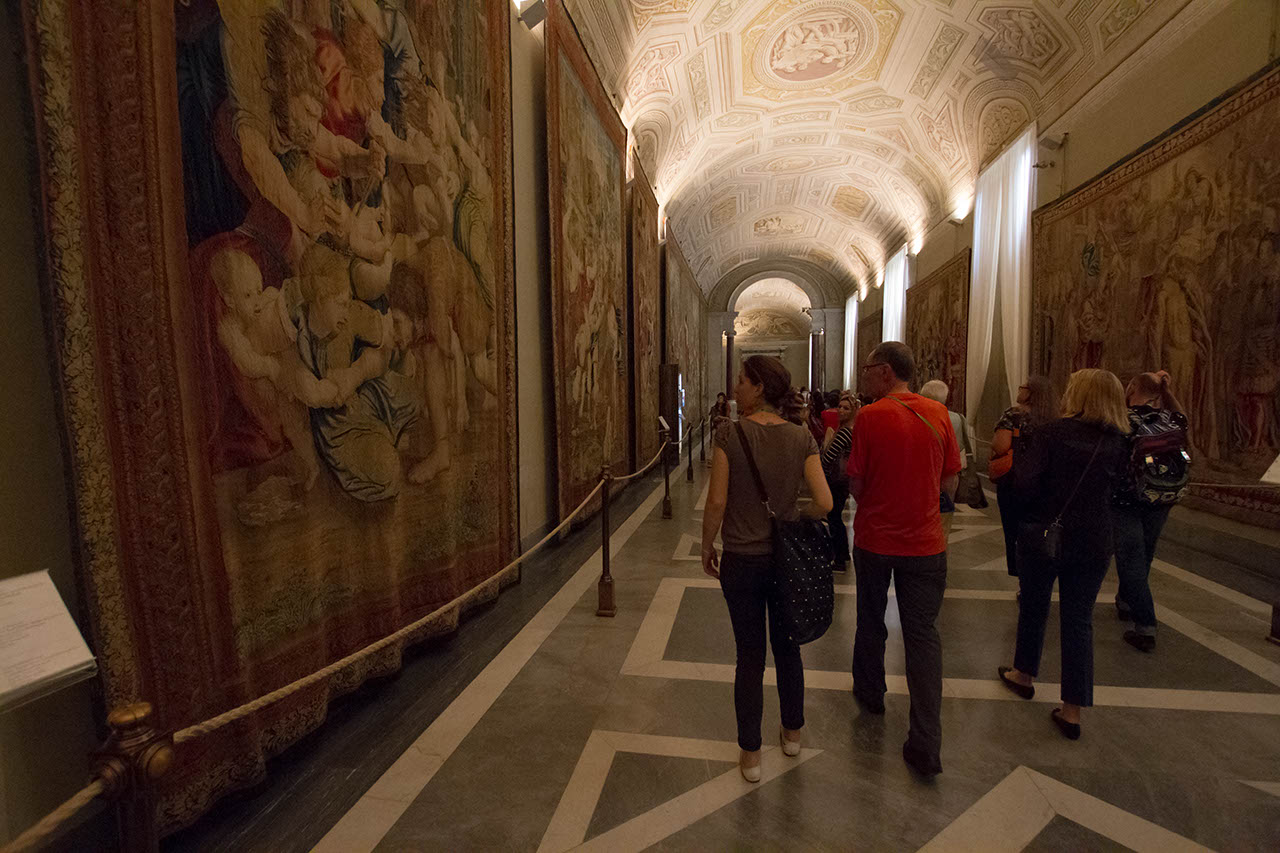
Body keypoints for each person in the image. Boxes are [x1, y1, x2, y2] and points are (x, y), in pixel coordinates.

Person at [702, 356, 833, 783]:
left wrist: (707, 544)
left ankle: (751, 755)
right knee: (788, 647)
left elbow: (717, 501)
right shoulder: (801, 437)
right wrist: (796, 518)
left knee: (749, 656)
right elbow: (826, 502)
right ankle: (792, 733)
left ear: (758, 387)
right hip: (785, 560)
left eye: (741, 381)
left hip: (742, 559)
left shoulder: (730, 433)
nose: (736, 387)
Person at [846, 342, 961, 778]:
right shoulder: (938, 414)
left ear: (886, 373)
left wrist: (881, 500)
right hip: (926, 543)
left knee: (871, 619)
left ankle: (871, 693)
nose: (864, 374)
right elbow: (951, 478)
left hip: (876, 539)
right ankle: (926, 743)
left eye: (868, 368)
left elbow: (855, 482)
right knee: (923, 638)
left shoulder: (871, 417)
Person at [997, 369, 1130, 740]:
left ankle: (1023, 673)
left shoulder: (1052, 432)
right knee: (1078, 620)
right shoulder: (1119, 441)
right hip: (1095, 538)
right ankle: (1072, 710)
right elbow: (1122, 490)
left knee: (1035, 605)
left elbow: (1024, 482)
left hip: (1046, 532)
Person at [1113, 371, 1190, 652]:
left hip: (1127, 498)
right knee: (1144, 551)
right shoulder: (1170, 419)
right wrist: (1166, 392)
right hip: (1162, 496)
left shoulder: (1125, 420)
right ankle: (1125, 600)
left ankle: (1145, 626)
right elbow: (1183, 418)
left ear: (1132, 387)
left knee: (1130, 556)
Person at [991, 376, 1059, 576]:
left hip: (1015, 481)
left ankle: (1021, 572)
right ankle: (1038, 570)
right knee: (1040, 531)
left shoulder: (1013, 415)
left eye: (1023, 386)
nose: (1019, 389)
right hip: (1044, 484)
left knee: (1014, 531)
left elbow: (1001, 445)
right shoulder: (1057, 419)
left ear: (1031, 392)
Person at [919, 380, 974, 539]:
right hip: (947, 475)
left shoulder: (914, 414)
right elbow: (961, 447)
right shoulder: (956, 418)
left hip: (920, 476)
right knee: (943, 527)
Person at [821, 393, 858, 572]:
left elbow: (827, 458)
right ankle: (843, 554)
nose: (841, 411)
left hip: (835, 481)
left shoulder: (844, 432)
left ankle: (840, 558)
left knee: (834, 518)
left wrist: (826, 443)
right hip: (841, 481)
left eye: (846, 408)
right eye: (840, 407)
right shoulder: (847, 429)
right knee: (835, 517)